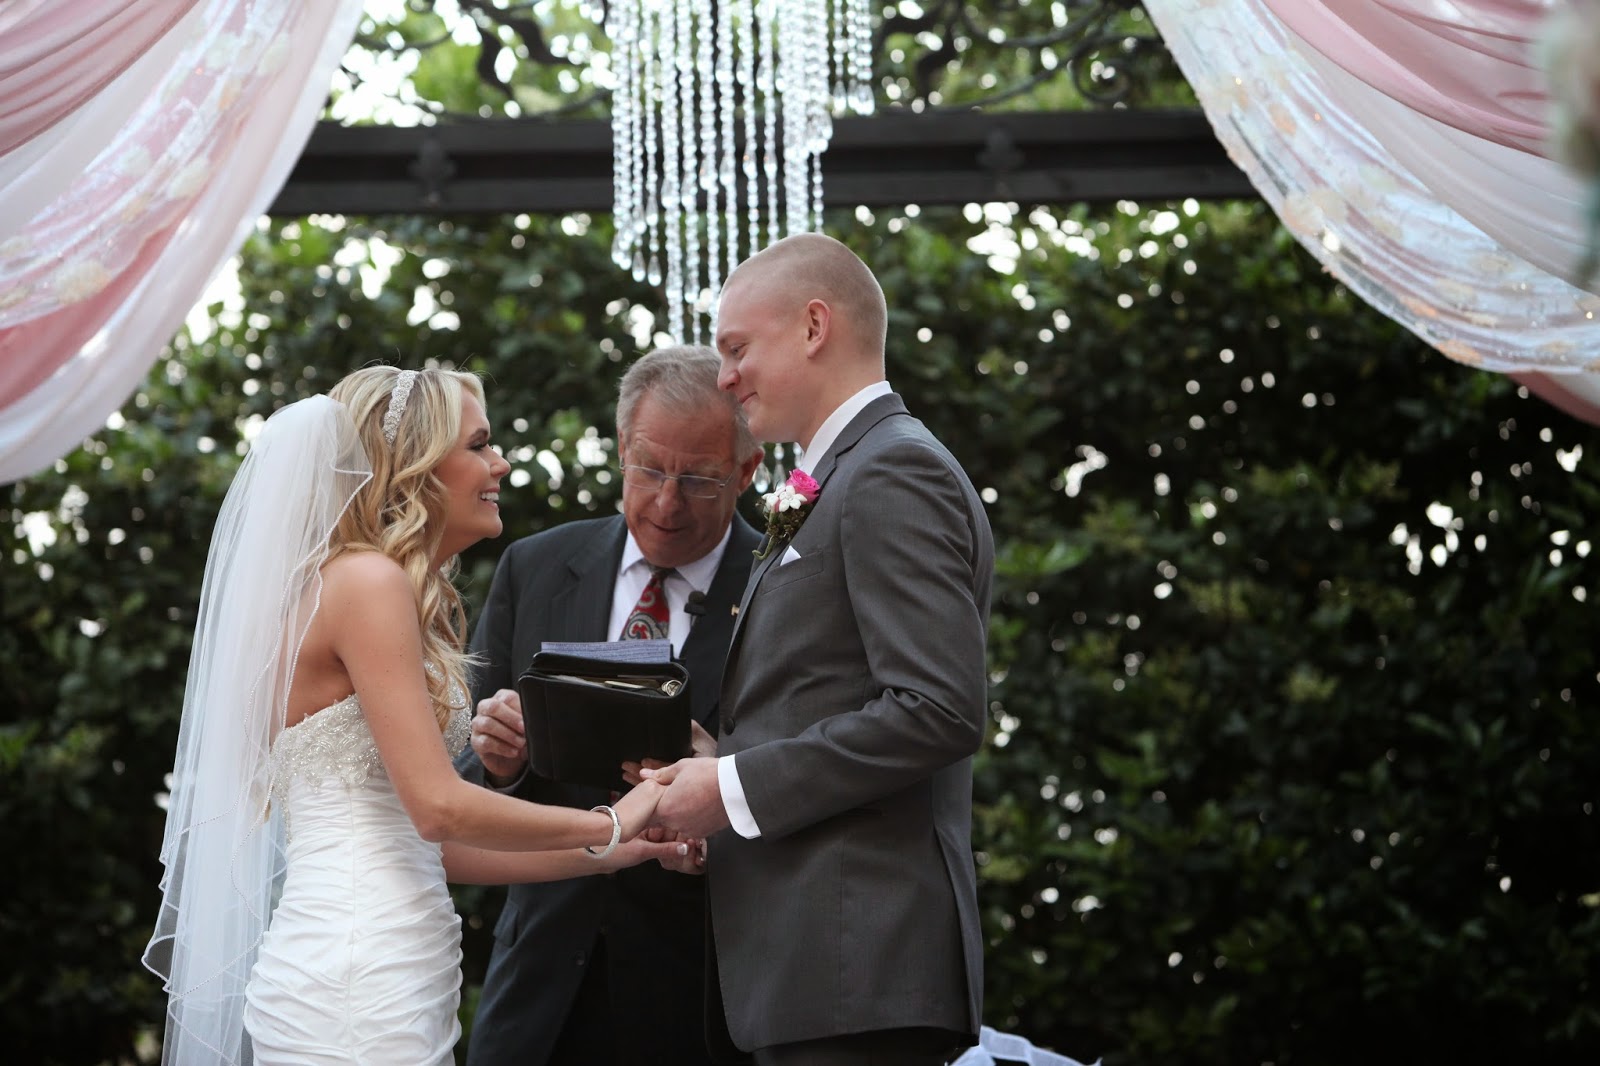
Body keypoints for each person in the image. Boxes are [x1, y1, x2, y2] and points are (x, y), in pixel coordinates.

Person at [143, 366, 691, 1066]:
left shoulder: (354, 584)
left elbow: (431, 847)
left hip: (387, 971)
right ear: (416, 467)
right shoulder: (366, 584)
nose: (501, 463)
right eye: (479, 445)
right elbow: (439, 808)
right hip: (357, 983)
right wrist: (618, 815)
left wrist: (615, 853)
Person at [639, 234, 995, 1066]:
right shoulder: (839, 474)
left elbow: (937, 709)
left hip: (856, 968)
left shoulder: (891, 471)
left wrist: (729, 787)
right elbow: (828, 695)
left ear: (812, 326)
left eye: (736, 349)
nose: (723, 377)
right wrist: (717, 759)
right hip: (818, 974)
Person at [458, 345, 764, 1066]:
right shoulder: (534, 566)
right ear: (622, 444)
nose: (666, 503)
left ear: (747, 472)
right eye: (651, 469)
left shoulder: (780, 588)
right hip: (536, 994)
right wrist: (498, 759)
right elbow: (458, 776)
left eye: (698, 480)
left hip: (702, 1000)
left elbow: (805, 774)